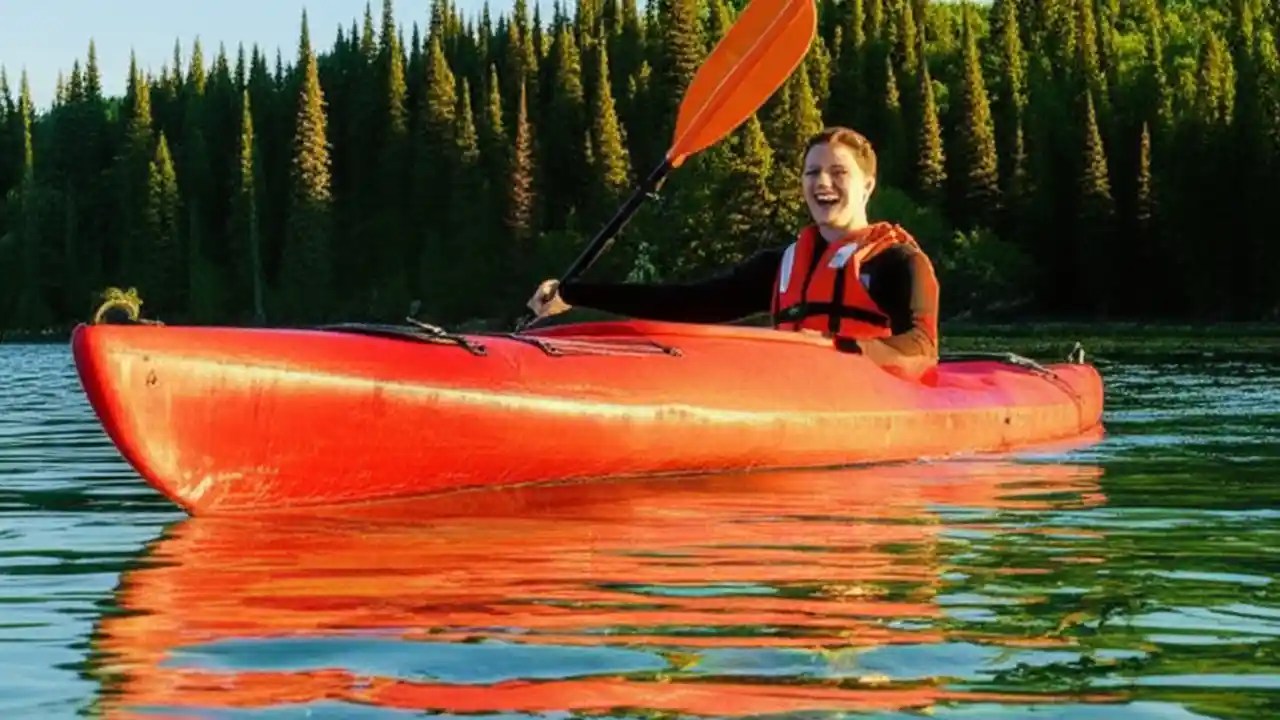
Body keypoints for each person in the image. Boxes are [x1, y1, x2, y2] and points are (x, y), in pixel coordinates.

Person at [527, 126, 940, 379]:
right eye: (812, 172)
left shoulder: (897, 262)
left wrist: (840, 351)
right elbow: (691, 303)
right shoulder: (779, 266)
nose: (822, 183)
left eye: (838, 172)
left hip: (863, 394)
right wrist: (576, 293)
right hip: (792, 395)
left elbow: (922, 347)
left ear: (867, 185)